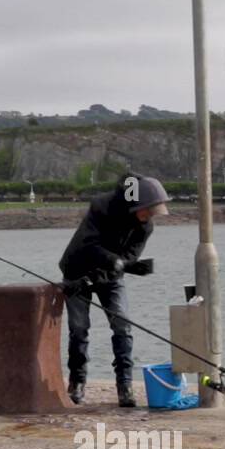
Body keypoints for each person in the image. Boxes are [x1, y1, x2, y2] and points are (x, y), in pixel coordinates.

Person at [58, 173, 170, 407]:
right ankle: (77, 382)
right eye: (147, 210)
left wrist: (120, 267)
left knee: (122, 325)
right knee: (78, 329)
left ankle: (125, 385)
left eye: (152, 212)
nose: (149, 216)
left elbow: (128, 258)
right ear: (134, 204)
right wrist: (110, 264)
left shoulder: (145, 227)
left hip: (110, 276)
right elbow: (88, 245)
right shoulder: (101, 207)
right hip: (76, 270)